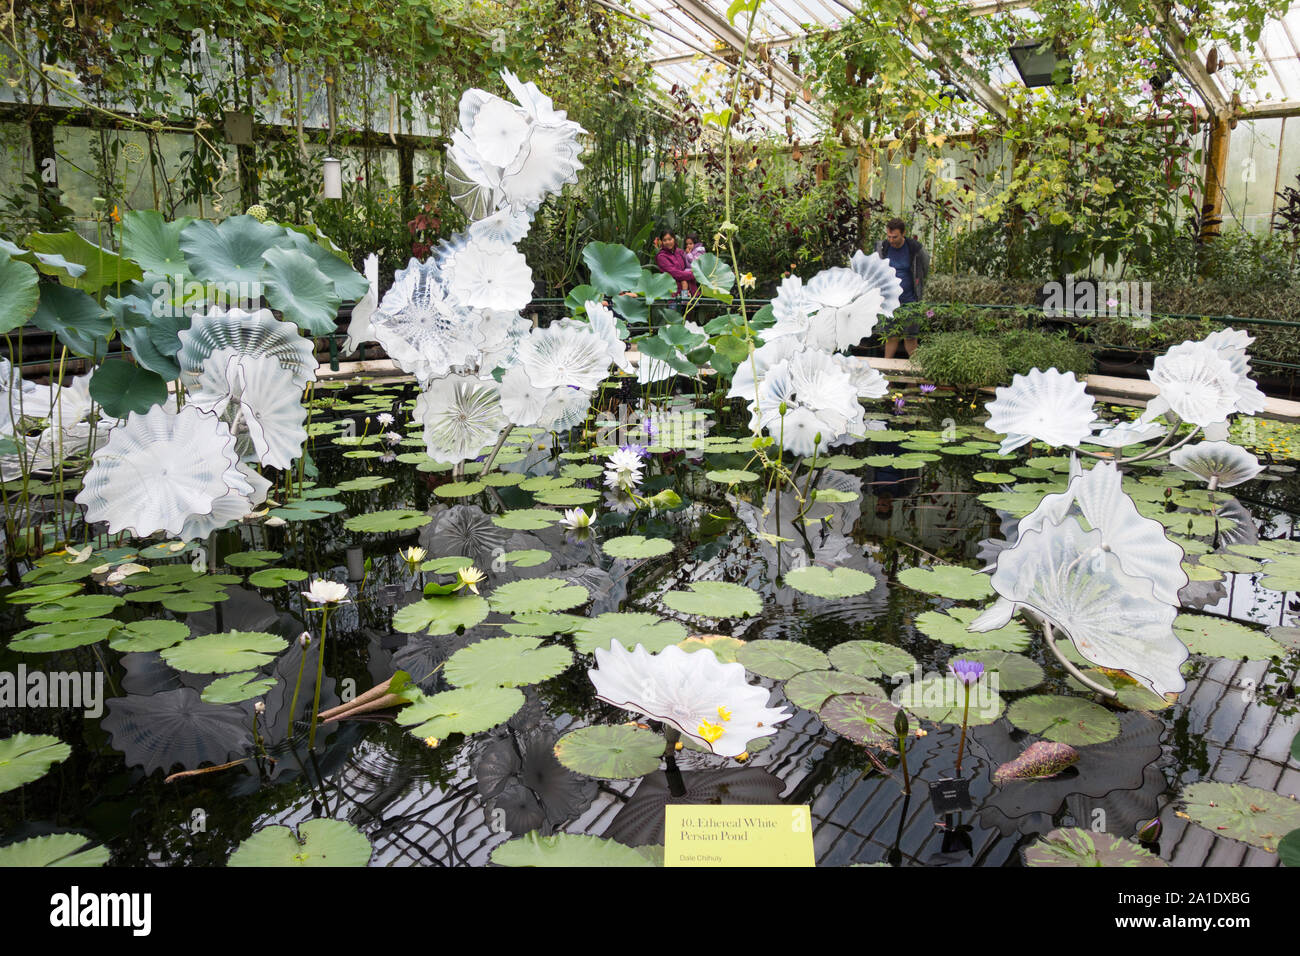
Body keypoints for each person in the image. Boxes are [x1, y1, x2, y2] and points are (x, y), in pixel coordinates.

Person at [875, 217, 929, 359]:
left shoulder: (914, 248)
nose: (891, 240)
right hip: (889, 302)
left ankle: (913, 380)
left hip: (910, 301)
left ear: (903, 233)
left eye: (895, 237)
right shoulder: (883, 248)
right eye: (889, 236)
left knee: (910, 338)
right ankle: (888, 379)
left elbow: (925, 267)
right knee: (890, 337)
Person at [654, 229, 697, 297]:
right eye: (665, 240)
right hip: (674, 295)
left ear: (674, 239)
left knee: (692, 306)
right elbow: (675, 274)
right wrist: (695, 273)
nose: (668, 242)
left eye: (670, 239)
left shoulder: (680, 252)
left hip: (691, 292)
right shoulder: (661, 257)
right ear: (662, 242)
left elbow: (690, 264)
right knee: (678, 306)